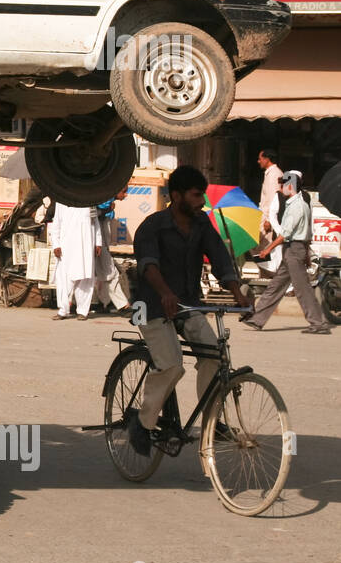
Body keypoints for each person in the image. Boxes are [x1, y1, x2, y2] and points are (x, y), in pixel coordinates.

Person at [126, 165, 251, 456]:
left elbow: (220, 258)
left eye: (203, 195)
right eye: (197, 195)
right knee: (172, 365)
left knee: (215, 355)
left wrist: (236, 293)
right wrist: (165, 293)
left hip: (187, 303)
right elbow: (148, 264)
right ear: (176, 195)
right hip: (150, 304)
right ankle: (142, 423)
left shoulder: (201, 224)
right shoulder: (153, 225)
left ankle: (211, 421)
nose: (202, 202)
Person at [244, 170, 331, 334]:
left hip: (293, 249)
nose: (281, 187)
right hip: (293, 250)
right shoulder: (296, 203)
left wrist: (267, 249)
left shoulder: (297, 206)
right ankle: (257, 319)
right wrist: (305, 255)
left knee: (302, 289)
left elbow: (286, 234)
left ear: (290, 186)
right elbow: (306, 232)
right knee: (276, 285)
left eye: (283, 184)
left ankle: (318, 323)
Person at [49, 201, 101, 320]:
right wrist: (56, 244)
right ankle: (63, 310)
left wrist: (98, 242)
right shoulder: (62, 201)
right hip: (67, 245)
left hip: (87, 245)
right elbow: (56, 223)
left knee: (86, 278)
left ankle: (83, 311)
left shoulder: (90, 201)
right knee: (64, 278)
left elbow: (95, 222)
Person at [93, 189, 131, 314]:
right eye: (124, 192)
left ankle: (104, 302)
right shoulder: (102, 205)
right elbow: (96, 214)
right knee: (108, 270)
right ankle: (122, 305)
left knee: (102, 270)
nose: (125, 195)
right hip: (97, 239)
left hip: (99, 238)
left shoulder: (106, 205)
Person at [256, 149, 285, 273]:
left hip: (268, 218)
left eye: (260, 158)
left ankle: (267, 275)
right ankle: (264, 273)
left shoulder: (274, 174)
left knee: (264, 247)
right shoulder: (269, 173)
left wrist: (268, 220)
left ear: (267, 159)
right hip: (264, 215)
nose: (258, 161)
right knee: (258, 247)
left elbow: (273, 198)